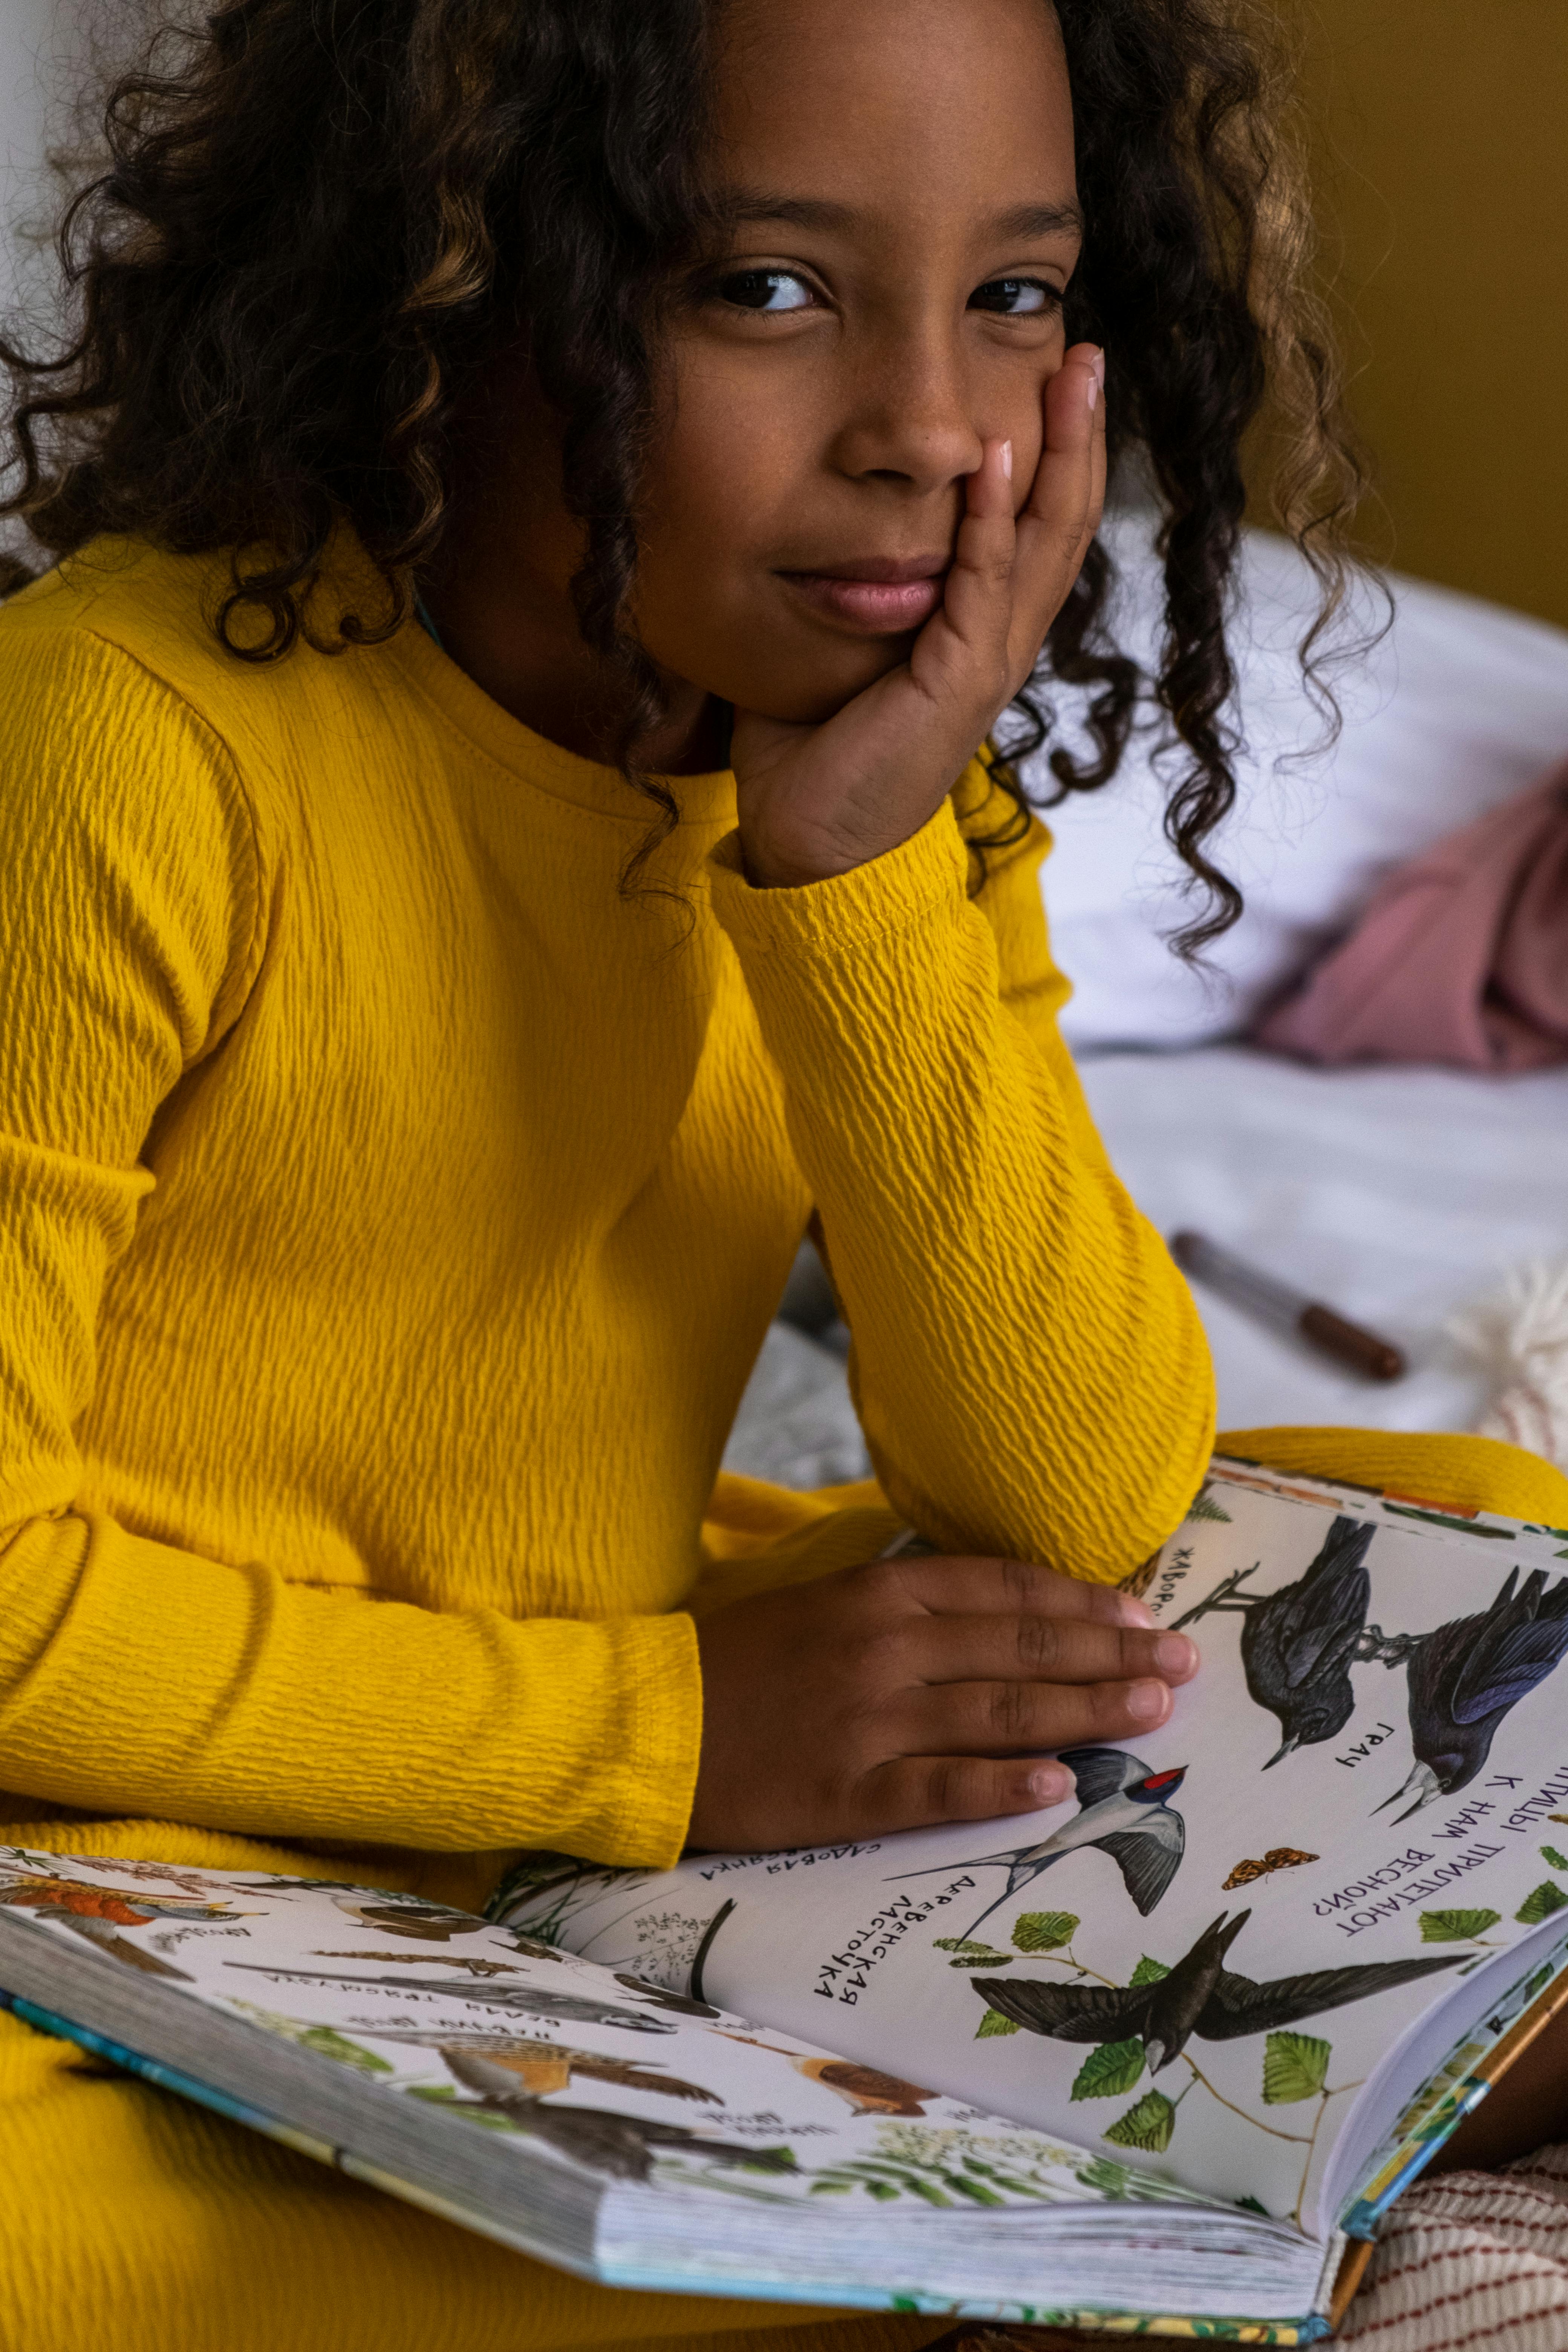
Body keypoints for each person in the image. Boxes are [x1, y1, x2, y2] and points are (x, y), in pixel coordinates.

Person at [0, 1, 1562, 2345]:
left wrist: (859, 875)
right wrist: (673, 1736)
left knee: (1478, 1552)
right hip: (114, 1870)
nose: (935, 430)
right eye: (769, 288)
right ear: (449, 295)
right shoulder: (123, 738)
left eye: (1016, 298)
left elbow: (1068, 1494)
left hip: (594, 1805)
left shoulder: (875, 763)